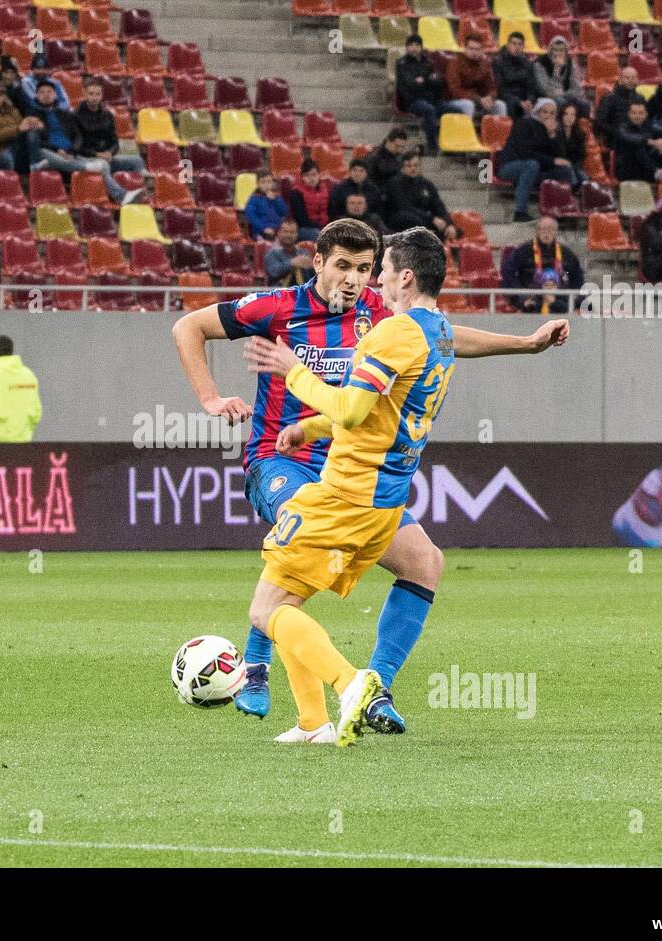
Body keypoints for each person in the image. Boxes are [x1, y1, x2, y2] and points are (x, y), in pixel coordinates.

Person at [171, 218, 570, 725]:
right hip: (281, 460)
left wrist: (525, 343)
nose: (355, 279)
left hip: (352, 474)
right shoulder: (278, 307)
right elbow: (188, 327)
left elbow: (445, 339)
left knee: (424, 563)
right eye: (343, 266)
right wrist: (209, 398)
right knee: (302, 524)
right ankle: (258, 667)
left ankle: (375, 688)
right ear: (318, 263)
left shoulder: (380, 315)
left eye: (364, 268)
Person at [26, 79, 142, 204]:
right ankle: (120, 195)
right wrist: (58, 149)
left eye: (49, 92)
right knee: (43, 152)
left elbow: (77, 137)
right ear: (36, 95)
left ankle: (140, 192)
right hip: (63, 154)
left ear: (55, 95)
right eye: (42, 92)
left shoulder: (64, 114)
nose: (46, 94)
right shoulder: (33, 115)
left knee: (135, 160)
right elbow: (37, 140)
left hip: (75, 153)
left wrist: (72, 150)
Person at [497, 97, 572, 222]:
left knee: (564, 170)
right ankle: (520, 212)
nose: (548, 116)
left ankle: (560, 212)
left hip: (537, 169)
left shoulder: (554, 129)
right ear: (537, 112)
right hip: (510, 167)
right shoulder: (524, 123)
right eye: (545, 112)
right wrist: (552, 161)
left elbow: (560, 157)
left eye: (552, 113)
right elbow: (525, 153)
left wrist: (552, 135)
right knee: (531, 165)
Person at [72, 77, 146, 180]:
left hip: (107, 157)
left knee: (137, 160)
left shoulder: (107, 115)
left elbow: (115, 142)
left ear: (102, 95)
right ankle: (116, 189)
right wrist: (96, 154)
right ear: (85, 94)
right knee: (103, 164)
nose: (94, 97)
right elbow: (77, 146)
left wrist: (110, 153)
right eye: (91, 94)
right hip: (88, 159)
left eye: (98, 94)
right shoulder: (76, 115)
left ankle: (144, 185)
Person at [503, 215, 584, 307]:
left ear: (556, 232)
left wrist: (574, 297)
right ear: (537, 231)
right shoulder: (523, 251)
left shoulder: (566, 253)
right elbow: (508, 272)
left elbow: (577, 277)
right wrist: (519, 295)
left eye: (550, 229)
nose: (546, 233)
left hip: (558, 297)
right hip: (531, 295)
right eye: (543, 229)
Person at [381, 150, 457, 239]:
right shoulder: (395, 183)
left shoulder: (427, 184)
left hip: (423, 219)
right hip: (400, 220)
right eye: (409, 166)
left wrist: (449, 224)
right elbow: (405, 207)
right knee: (411, 218)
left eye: (416, 165)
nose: (413, 169)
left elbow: (439, 206)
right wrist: (432, 219)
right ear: (402, 168)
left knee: (452, 229)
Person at [393, 34, 441, 153]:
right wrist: (427, 80)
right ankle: (432, 145)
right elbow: (409, 85)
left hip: (429, 98)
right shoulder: (401, 64)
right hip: (411, 101)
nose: (414, 48)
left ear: (421, 47)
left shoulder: (428, 62)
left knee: (453, 107)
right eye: (411, 45)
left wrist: (423, 80)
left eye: (417, 45)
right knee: (429, 109)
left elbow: (437, 82)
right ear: (406, 47)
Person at [444, 35, 507, 122]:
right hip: (455, 101)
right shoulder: (455, 63)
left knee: (500, 105)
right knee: (468, 105)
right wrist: (478, 99)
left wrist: (490, 97)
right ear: (465, 48)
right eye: (471, 48)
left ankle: (500, 131)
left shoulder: (485, 64)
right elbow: (454, 90)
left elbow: (492, 87)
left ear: (482, 50)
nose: (474, 52)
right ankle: (466, 130)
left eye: (477, 49)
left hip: (479, 101)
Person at [533, 35, 588, 119]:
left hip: (564, 96)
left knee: (585, 105)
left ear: (566, 51)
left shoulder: (569, 62)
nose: (558, 53)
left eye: (562, 50)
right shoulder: (539, 63)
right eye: (555, 50)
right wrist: (556, 71)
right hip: (544, 98)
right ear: (550, 50)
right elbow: (547, 91)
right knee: (562, 104)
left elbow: (577, 88)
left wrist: (564, 94)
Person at [595, 66, 641, 150]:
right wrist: (618, 132)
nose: (630, 81)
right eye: (627, 78)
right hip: (616, 139)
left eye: (633, 78)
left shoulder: (640, 98)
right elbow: (600, 122)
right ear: (620, 80)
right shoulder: (609, 99)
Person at [493, 31, 535, 120]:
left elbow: (531, 86)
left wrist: (529, 99)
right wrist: (518, 101)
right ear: (508, 45)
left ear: (523, 47)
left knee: (539, 105)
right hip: (507, 98)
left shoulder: (527, 63)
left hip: (523, 99)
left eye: (520, 44)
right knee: (511, 104)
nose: (517, 47)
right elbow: (501, 89)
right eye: (514, 44)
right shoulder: (498, 61)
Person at [287, 159, 332, 241]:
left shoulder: (326, 190)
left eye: (314, 175)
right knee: (319, 235)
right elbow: (301, 220)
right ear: (302, 177)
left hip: (324, 227)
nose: (311, 178)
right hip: (303, 229)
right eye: (307, 175)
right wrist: (323, 228)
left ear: (319, 175)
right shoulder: (296, 193)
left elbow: (332, 212)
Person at [263, 219, 314, 285]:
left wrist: (312, 266)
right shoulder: (271, 253)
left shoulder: (303, 252)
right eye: (285, 232)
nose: (288, 235)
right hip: (279, 290)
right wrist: (292, 263)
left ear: (297, 234)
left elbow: (314, 276)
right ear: (279, 233)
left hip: (303, 289)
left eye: (292, 232)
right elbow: (273, 272)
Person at [243, 169, 288, 241]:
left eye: (269, 182)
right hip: (262, 231)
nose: (266, 185)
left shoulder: (276, 197)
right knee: (270, 239)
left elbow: (284, 212)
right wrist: (264, 228)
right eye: (263, 182)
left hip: (277, 230)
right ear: (258, 184)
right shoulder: (254, 199)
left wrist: (275, 200)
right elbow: (251, 216)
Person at [364, 127, 410, 193]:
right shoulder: (374, 158)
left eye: (402, 147)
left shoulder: (400, 157)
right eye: (397, 146)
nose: (400, 150)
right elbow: (368, 183)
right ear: (388, 141)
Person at [553, 102, 587, 187]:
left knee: (584, 178)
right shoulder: (555, 132)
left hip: (574, 166)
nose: (569, 117)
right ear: (561, 116)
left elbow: (581, 155)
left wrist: (575, 167)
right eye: (566, 114)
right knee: (572, 178)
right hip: (559, 166)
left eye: (573, 115)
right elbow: (558, 155)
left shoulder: (580, 134)